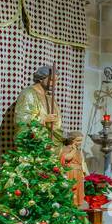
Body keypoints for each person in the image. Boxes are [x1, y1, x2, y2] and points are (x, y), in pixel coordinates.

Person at [14, 65, 88, 207]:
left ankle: (73, 202)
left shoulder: (50, 98)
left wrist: (67, 139)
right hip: (35, 144)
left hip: (53, 142)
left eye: (57, 81)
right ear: (42, 78)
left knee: (76, 156)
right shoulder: (28, 94)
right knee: (66, 159)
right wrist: (43, 119)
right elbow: (21, 119)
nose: (54, 85)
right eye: (52, 80)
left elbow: (57, 126)